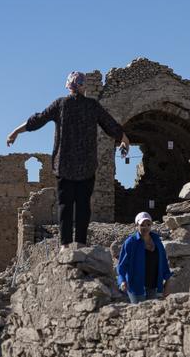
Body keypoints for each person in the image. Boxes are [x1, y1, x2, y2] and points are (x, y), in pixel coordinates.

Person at [7, 71, 130, 246]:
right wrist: (124, 138)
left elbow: (37, 120)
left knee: (65, 206)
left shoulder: (60, 104)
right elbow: (110, 125)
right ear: (83, 86)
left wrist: (15, 132)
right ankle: (79, 243)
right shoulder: (92, 106)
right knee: (83, 207)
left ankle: (65, 245)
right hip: (87, 167)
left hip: (63, 166)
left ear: (68, 86)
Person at [116, 212, 172, 304]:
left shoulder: (157, 241)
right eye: (142, 225)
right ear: (136, 225)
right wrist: (122, 281)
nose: (145, 227)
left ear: (151, 225)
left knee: (153, 314)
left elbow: (163, 263)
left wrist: (168, 282)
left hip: (154, 286)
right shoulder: (130, 242)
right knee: (138, 315)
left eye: (148, 224)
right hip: (136, 287)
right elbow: (122, 265)